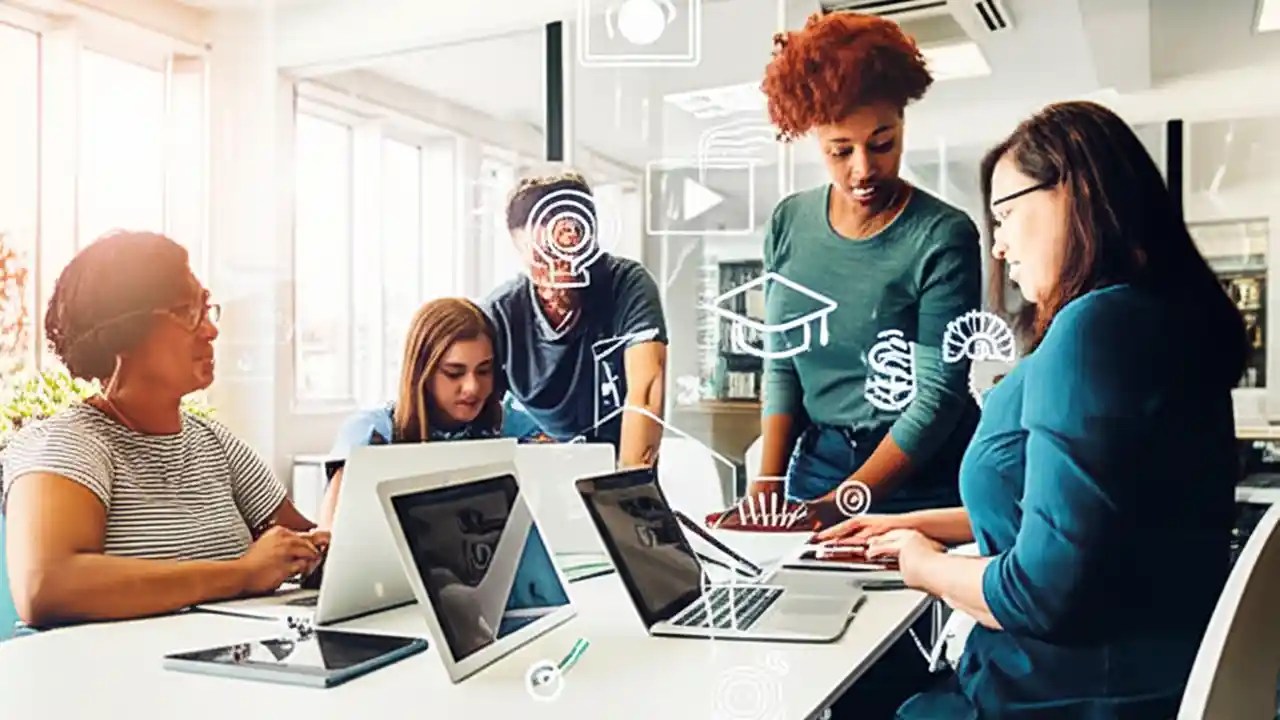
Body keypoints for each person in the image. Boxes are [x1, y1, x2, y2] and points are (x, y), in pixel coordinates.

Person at [822, 101, 1246, 718]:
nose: (997, 245)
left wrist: (925, 567)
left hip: (1058, 697)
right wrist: (920, 526)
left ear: (1075, 192)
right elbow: (1102, 519)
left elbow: (1041, 594)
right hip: (1132, 684)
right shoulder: (1159, 321)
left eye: (1006, 214)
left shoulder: (1092, 328)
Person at [0, 231, 326, 628]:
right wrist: (240, 574)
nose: (210, 330)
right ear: (123, 329)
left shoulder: (215, 444)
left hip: (222, 673)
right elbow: (45, 586)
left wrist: (322, 549)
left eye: (207, 309)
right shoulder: (69, 443)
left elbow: (299, 542)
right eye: (187, 311)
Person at [750, 11, 982, 522]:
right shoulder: (789, 222)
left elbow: (938, 396)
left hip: (920, 473)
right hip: (819, 464)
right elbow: (784, 361)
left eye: (882, 143)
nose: (863, 168)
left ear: (903, 124)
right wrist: (768, 480)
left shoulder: (943, 236)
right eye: (840, 150)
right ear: (814, 137)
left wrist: (846, 504)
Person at [482, 168, 667, 468]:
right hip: (537, 471)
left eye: (574, 248)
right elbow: (478, 413)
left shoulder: (627, 285)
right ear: (520, 247)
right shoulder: (500, 313)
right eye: (545, 255)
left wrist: (623, 493)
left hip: (616, 465)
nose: (563, 269)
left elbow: (646, 397)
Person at [319, 297, 502, 529]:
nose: (472, 387)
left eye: (484, 371)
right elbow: (331, 540)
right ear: (421, 373)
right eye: (454, 373)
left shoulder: (516, 427)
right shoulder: (370, 433)